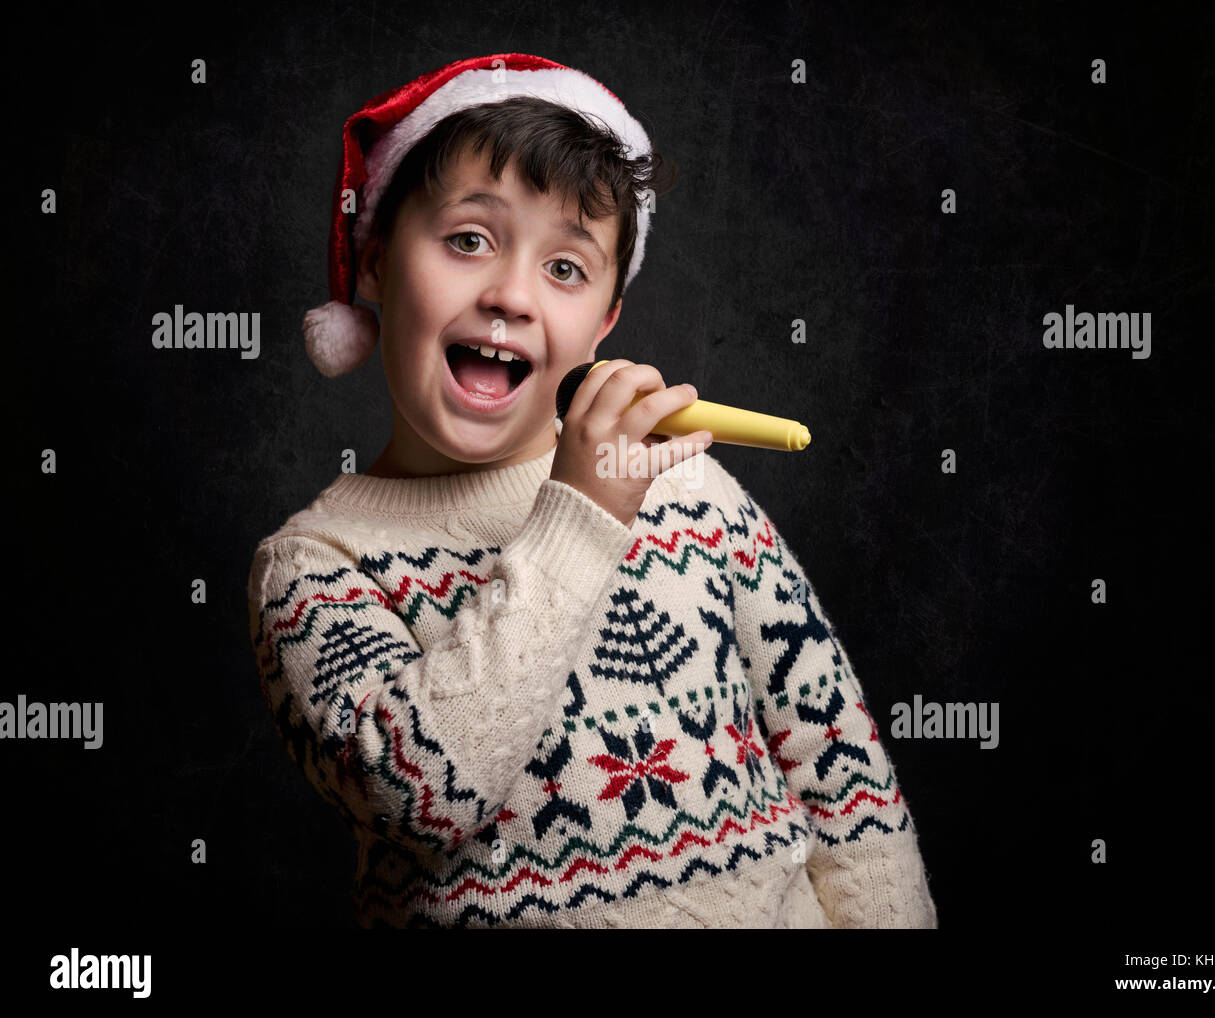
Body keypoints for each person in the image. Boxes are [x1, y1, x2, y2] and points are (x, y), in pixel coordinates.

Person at [247, 53, 938, 928]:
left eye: (566, 269)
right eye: (468, 240)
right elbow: (420, 801)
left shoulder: (689, 489)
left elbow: (843, 772)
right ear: (376, 261)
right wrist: (577, 517)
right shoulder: (311, 568)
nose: (510, 296)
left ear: (607, 319)